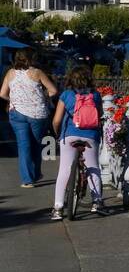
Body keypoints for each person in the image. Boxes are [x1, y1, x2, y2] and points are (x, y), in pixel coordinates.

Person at [49, 66, 105, 219]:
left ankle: (58, 208)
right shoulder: (96, 95)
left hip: (69, 136)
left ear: (70, 79)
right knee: (93, 166)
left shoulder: (66, 95)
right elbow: (99, 116)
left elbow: (57, 120)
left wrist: (58, 134)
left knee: (64, 170)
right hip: (90, 136)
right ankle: (97, 202)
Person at [0, 49, 58, 187]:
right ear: (30, 59)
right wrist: (43, 98)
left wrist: (14, 100)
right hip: (37, 113)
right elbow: (53, 90)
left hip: (17, 113)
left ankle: (27, 180)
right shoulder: (37, 72)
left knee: (23, 145)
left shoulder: (10, 73)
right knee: (36, 144)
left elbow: (2, 94)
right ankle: (36, 173)